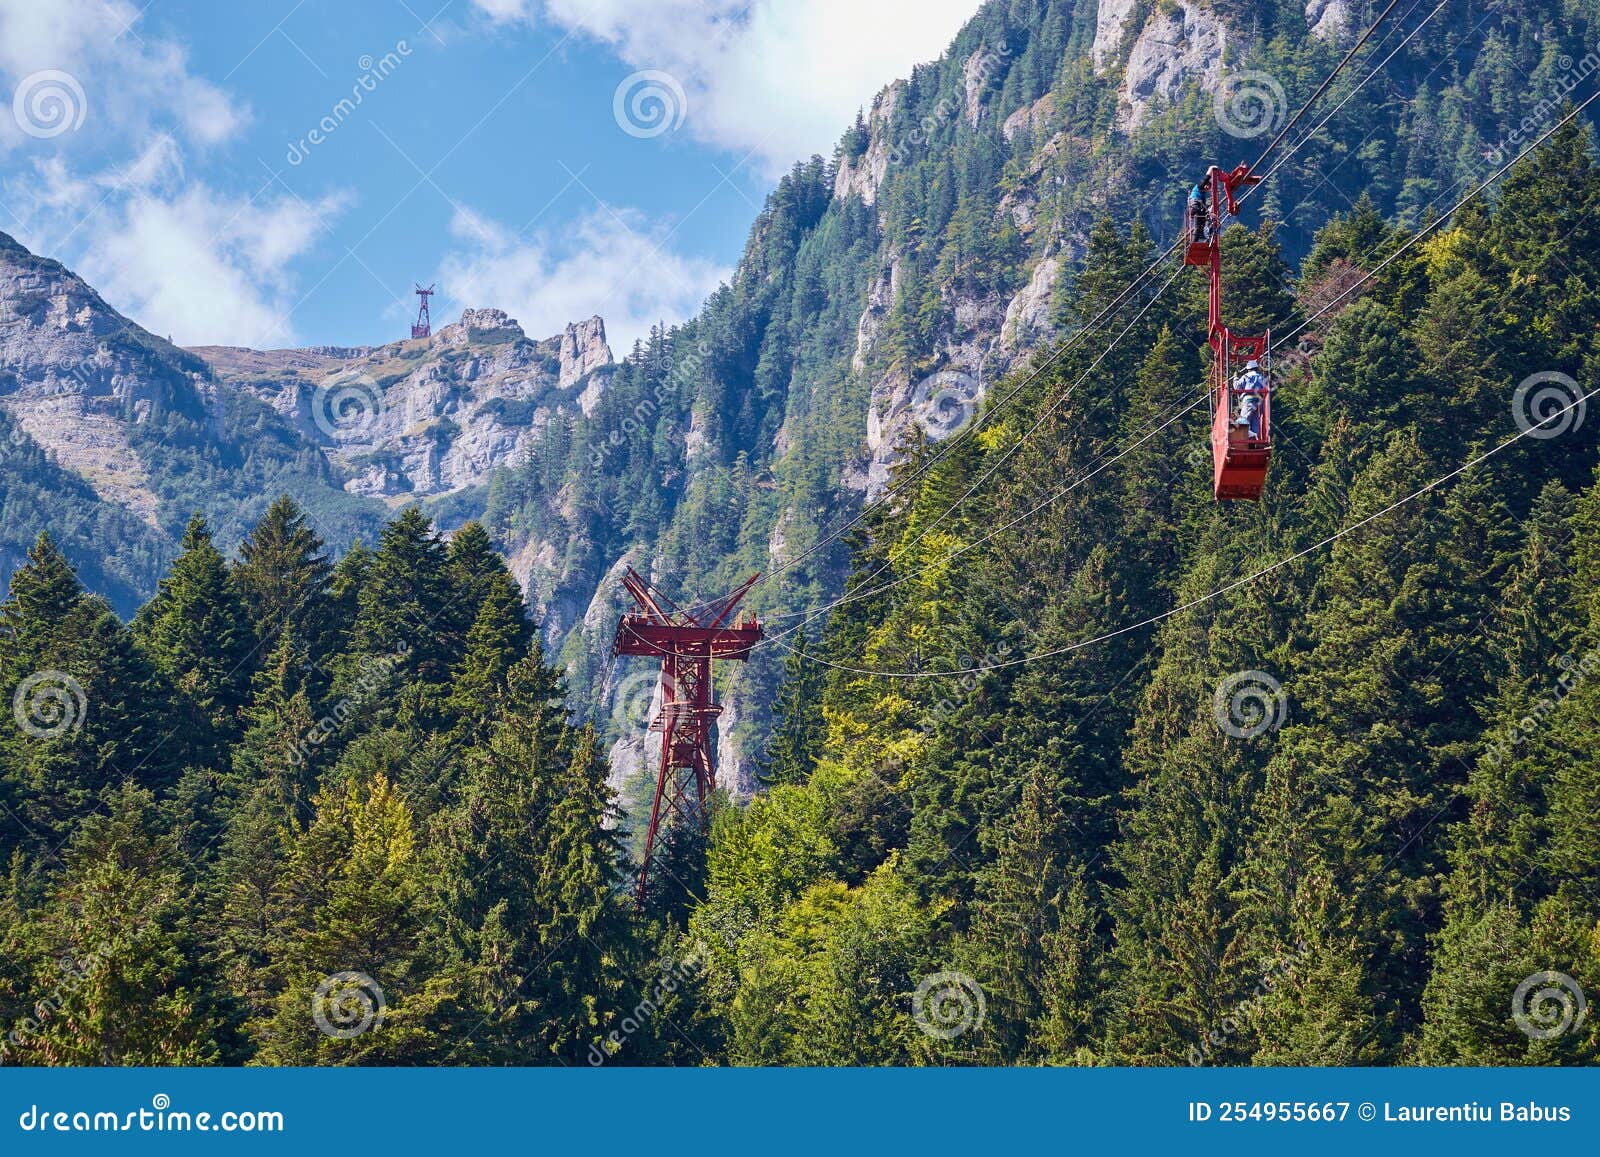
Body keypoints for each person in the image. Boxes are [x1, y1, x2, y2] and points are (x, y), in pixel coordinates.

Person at [1232, 359, 1267, 440]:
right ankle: (1254, 439)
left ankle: (1241, 438)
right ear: (1256, 368)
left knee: (1244, 420)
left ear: (1248, 369)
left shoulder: (1246, 376)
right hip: (1259, 402)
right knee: (1255, 422)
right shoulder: (1260, 377)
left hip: (1249, 401)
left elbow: (1237, 386)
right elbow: (1265, 387)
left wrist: (1235, 377)